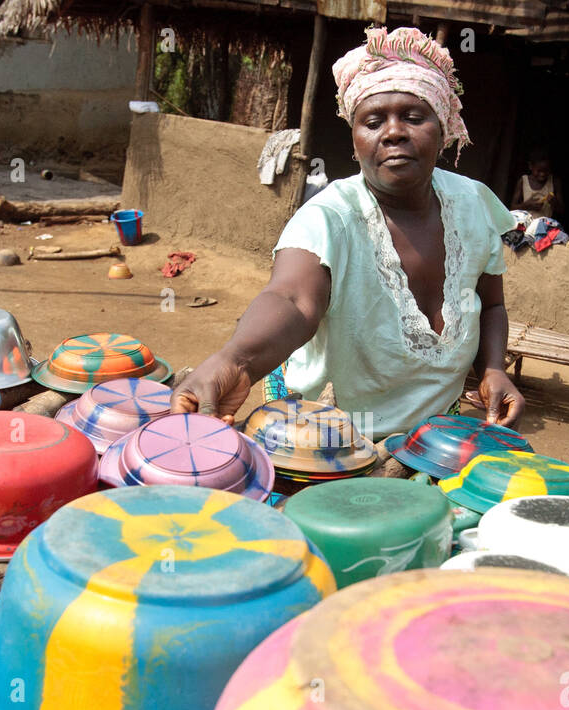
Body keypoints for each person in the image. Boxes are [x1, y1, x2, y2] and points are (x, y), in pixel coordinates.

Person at [171, 26, 523, 440]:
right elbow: (292, 299)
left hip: (433, 434)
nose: (393, 132)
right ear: (355, 143)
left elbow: (492, 304)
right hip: (326, 434)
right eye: (373, 121)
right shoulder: (328, 218)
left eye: (413, 117)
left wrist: (494, 368)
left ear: (443, 130)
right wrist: (234, 359)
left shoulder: (474, 204)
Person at [510, 147, 562, 220]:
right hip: (526, 224)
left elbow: (561, 210)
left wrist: (554, 202)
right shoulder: (523, 181)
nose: (542, 174)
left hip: (546, 225)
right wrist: (527, 205)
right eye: (539, 171)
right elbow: (512, 208)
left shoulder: (554, 182)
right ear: (530, 166)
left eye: (546, 171)